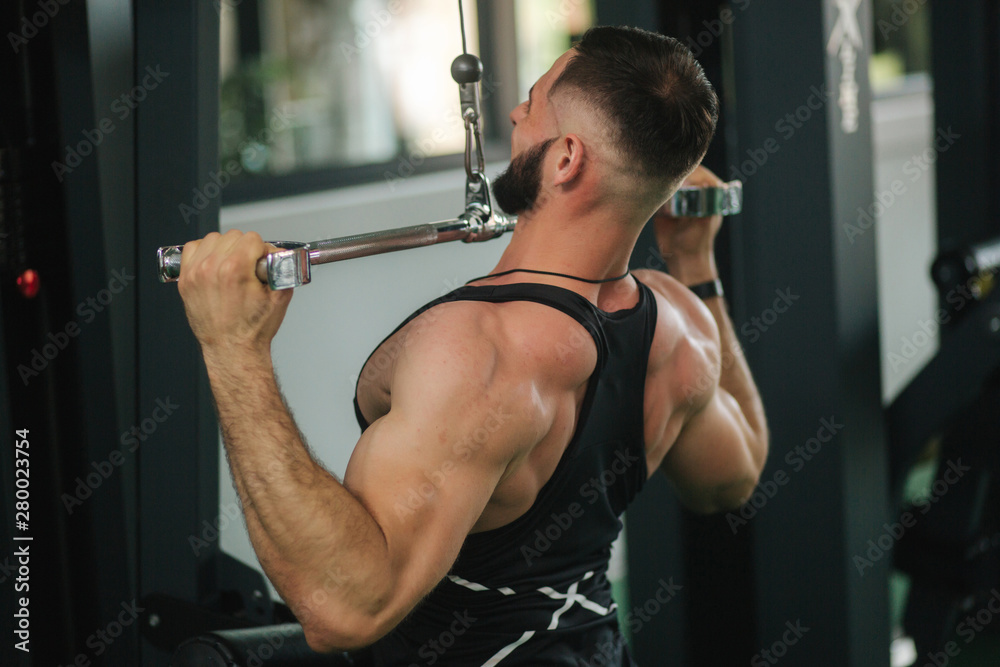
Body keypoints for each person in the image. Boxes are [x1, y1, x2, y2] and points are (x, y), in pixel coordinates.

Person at [177, 25, 768, 666]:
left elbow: (345, 610)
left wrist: (234, 348)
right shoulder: (678, 321)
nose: (515, 113)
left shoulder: (478, 352)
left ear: (567, 159)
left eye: (534, 102)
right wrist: (692, 258)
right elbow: (732, 480)